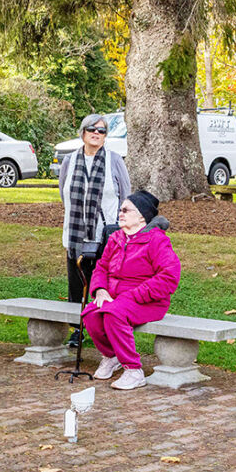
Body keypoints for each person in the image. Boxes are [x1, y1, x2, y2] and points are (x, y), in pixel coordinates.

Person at [81, 190, 181, 390]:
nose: (121, 213)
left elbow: (170, 276)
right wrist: (100, 289)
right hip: (117, 298)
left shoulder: (156, 240)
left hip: (148, 301)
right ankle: (111, 356)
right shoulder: (116, 237)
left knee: (112, 313)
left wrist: (134, 295)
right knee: (90, 313)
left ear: (142, 216)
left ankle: (134, 370)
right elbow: (101, 267)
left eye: (126, 210)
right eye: (120, 209)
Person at [58, 113, 131, 304]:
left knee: (103, 284)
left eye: (102, 130)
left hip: (105, 235)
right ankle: (77, 329)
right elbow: (64, 194)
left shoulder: (114, 160)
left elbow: (125, 198)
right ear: (83, 132)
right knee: (76, 283)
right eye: (92, 129)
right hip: (75, 233)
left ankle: (102, 327)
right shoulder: (69, 161)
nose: (96, 133)